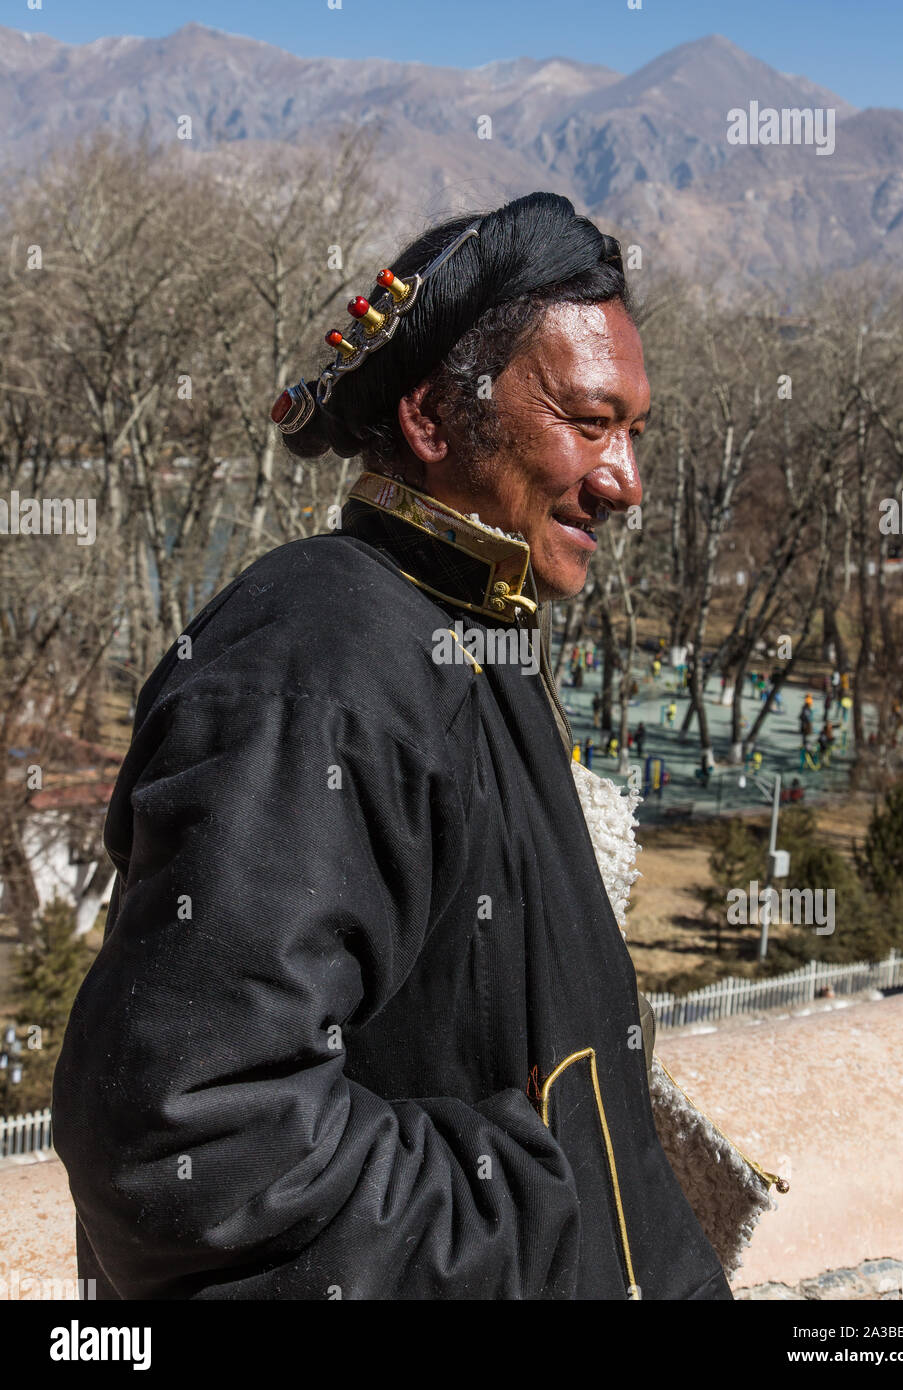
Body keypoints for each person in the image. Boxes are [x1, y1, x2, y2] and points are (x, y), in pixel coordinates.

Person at [52, 192, 729, 1302]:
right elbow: (186, 1135)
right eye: (589, 422)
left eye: (635, 433)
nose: (626, 483)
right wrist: (535, 1221)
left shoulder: (470, 638)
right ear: (429, 419)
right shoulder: (321, 663)